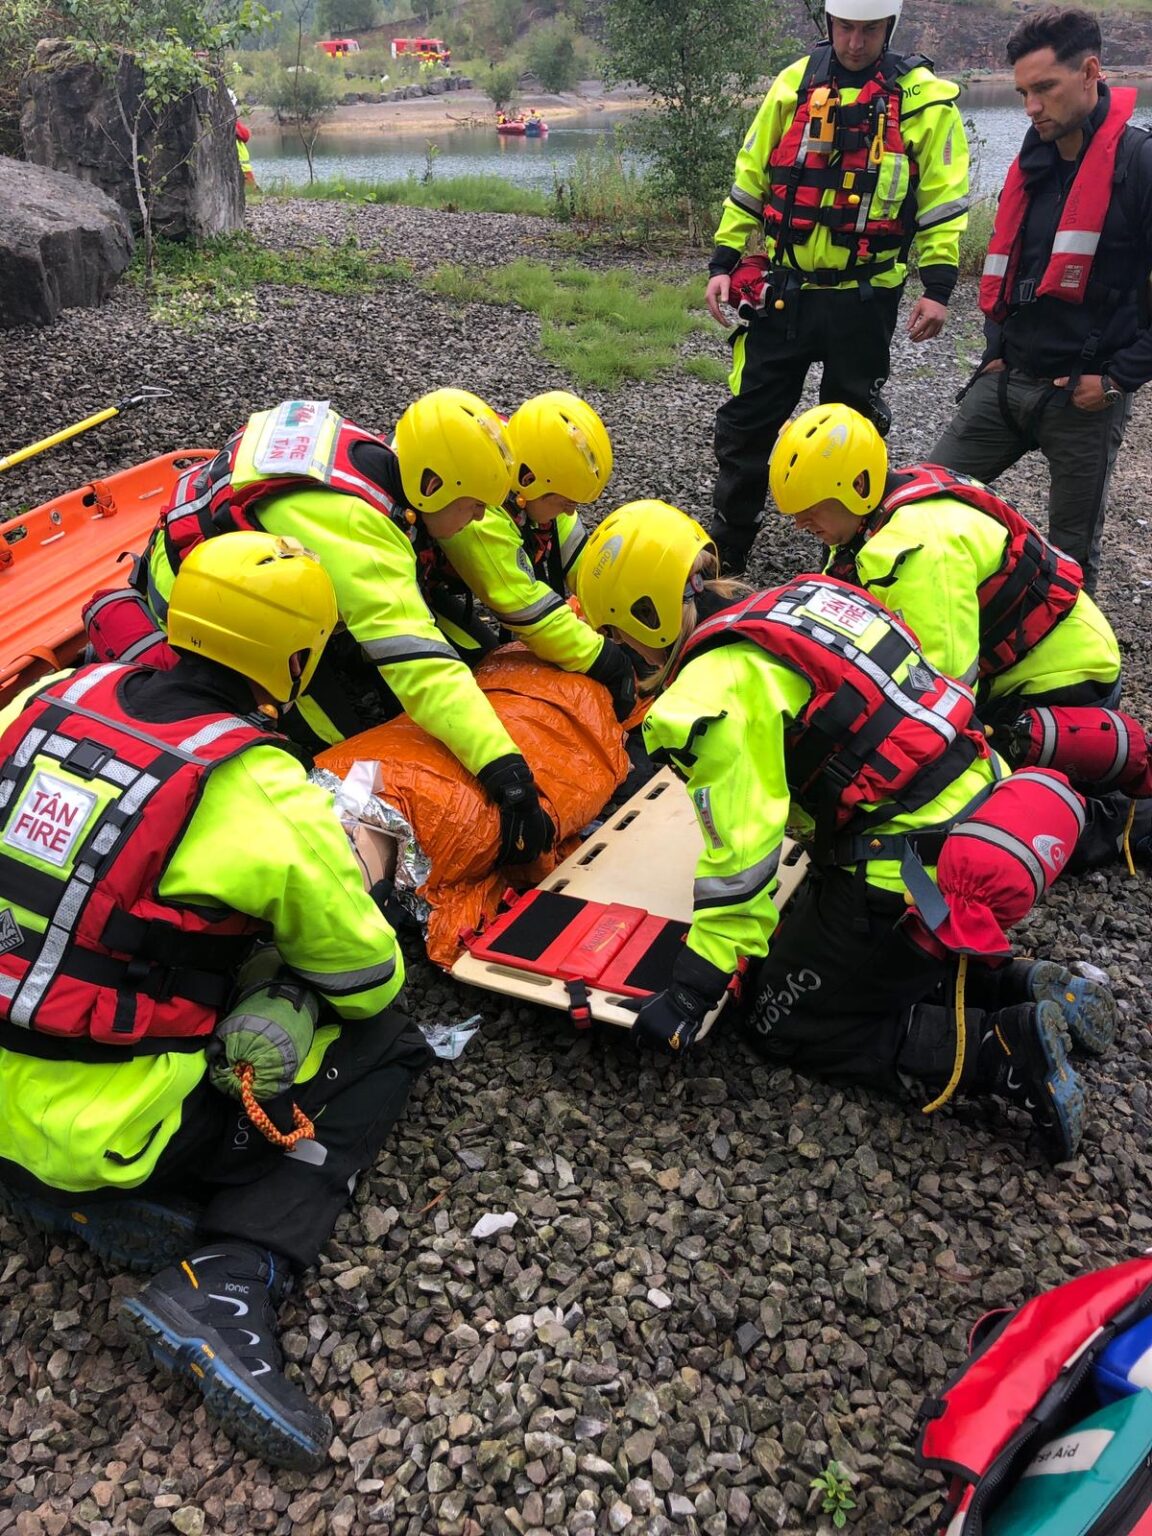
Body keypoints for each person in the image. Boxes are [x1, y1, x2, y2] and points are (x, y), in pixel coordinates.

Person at [0, 532, 431, 1469]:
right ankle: (230, 1278)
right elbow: (366, 980)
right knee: (388, 1044)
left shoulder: (52, 696)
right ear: (297, 662)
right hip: (109, 1131)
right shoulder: (255, 783)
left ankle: (34, 1183)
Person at [575, 501, 1116, 1163]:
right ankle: (1017, 981)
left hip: (906, 863)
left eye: (616, 636)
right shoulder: (808, 599)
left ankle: (1004, 1050)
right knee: (816, 953)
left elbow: (744, 854)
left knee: (784, 1018)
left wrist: (693, 987)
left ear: (640, 619)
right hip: (982, 803)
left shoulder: (708, 694)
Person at [138, 390, 555, 868]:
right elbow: (423, 666)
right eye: (475, 505)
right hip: (200, 600)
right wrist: (507, 773)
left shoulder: (384, 466)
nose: (480, 517)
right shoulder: (355, 526)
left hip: (237, 566)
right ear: (433, 485)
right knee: (344, 741)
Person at [769, 402, 1152, 866]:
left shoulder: (916, 551)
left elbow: (941, 693)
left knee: (972, 809)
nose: (800, 524)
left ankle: (1121, 825)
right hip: (1041, 662)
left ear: (858, 487)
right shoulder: (880, 512)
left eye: (811, 510)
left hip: (1062, 683)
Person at [704, 0, 970, 575]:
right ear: (829, 24)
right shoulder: (794, 84)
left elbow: (943, 201)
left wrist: (939, 287)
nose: (854, 42)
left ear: (889, 28)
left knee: (851, 435)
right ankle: (727, 552)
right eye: (845, 27)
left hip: (865, 298)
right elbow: (751, 175)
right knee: (746, 423)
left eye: (869, 30)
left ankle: (847, 560)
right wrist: (724, 259)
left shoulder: (923, 100)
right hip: (784, 293)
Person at [930, 7, 1152, 594]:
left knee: (1071, 559)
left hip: (1086, 397)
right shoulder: (1032, 163)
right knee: (921, 498)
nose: (1031, 107)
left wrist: (1117, 379)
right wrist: (995, 350)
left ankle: (1073, 650)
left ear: (1091, 72)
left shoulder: (1140, 164)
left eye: (1045, 88)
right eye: (1024, 92)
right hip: (1007, 381)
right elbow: (1009, 272)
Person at [431, 391, 637, 720]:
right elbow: (528, 611)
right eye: (565, 501)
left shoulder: (529, 463)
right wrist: (611, 663)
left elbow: (584, 563)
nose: (569, 511)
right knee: (471, 674)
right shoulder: (479, 513)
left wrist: (626, 622)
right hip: (379, 588)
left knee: (490, 656)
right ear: (528, 481)